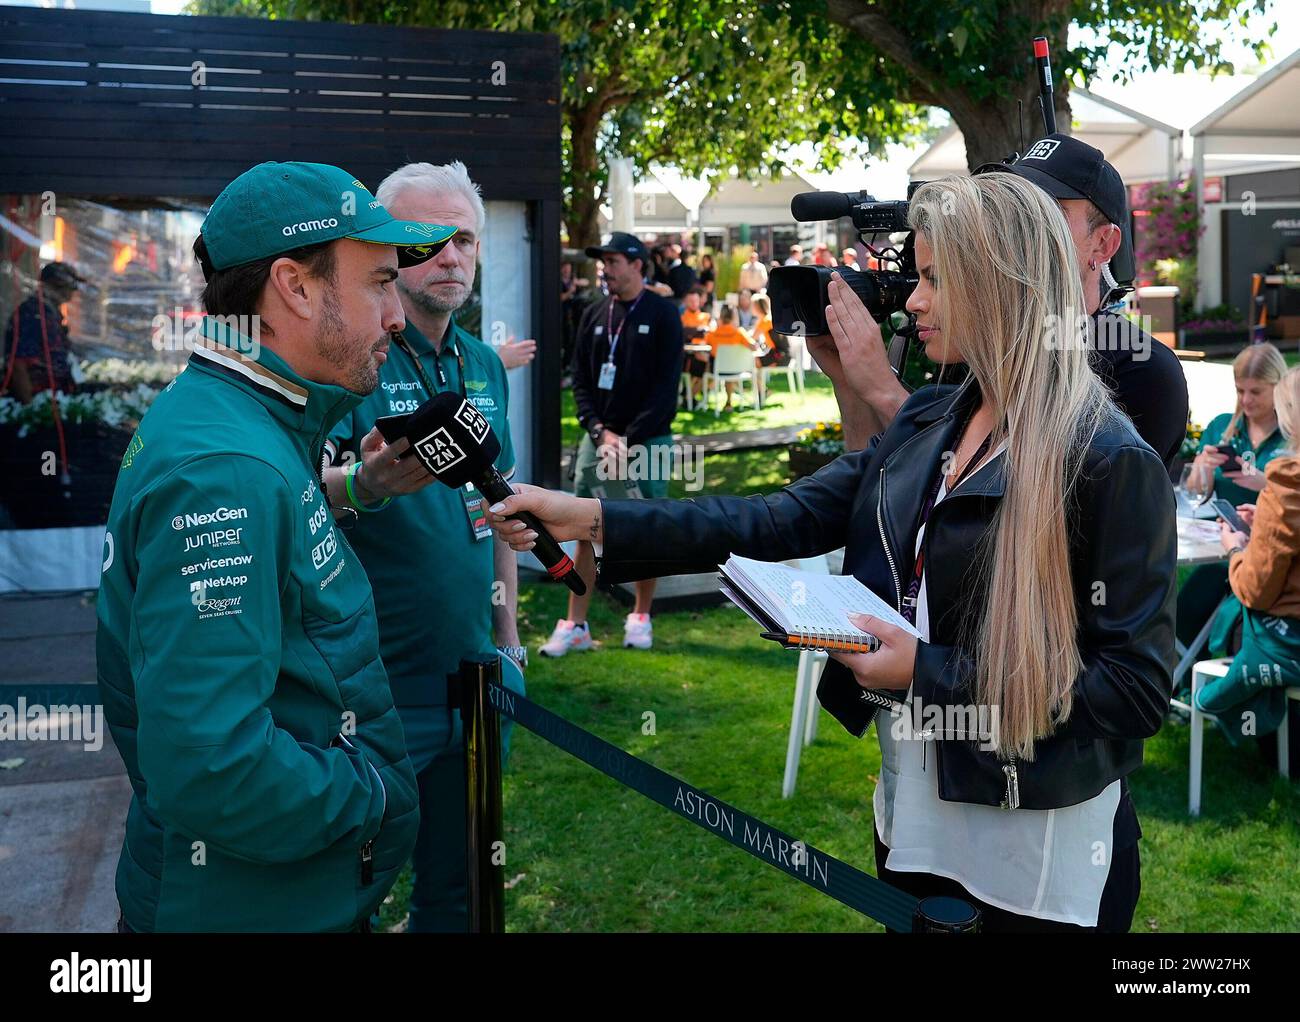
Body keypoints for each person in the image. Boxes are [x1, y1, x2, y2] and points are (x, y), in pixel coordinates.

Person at [491, 173, 1174, 933]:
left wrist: (925, 670)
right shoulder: (931, 421)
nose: (911, 302)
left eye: (935, 279)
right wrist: (588, 517)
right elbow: (773, 522)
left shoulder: (1107, 459)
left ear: (1001, 284)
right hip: (914, 817)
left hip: (1035, 851)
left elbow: (1135, 690)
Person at [95, 161, 454, 932]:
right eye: (379, 282)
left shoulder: (252, 420)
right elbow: (213, 767)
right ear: (294, 286)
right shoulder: (225, 469)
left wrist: (359, 487)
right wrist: (376, 796)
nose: (397, 314)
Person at [319, 160, 526, 933]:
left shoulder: (481, 363)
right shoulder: (347, 360)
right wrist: (365, 484)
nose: (452, 256)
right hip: (370, 692)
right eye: (428, 241)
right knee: (352, 894)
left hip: (475, 677)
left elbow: (497, 497)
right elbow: (303, 499)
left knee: (461, 890)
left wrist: (508, 638)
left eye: (464, 240)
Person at [810, 134, 1189, 472]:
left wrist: (885, 392)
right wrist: (851, 384)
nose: (1022, 225)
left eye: (1047, 211)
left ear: (1103, 244)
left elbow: (1028, 507)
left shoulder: (1143, 368)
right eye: (1015, 209)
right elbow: (881, 486)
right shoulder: (980, 341)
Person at [545, 231, 683, 656]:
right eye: (602, 260)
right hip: (598, 437)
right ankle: (576, 624)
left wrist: (625, 438)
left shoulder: (663, 314)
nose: (605, 268)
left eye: (613, 260)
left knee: (646, 526)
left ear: (638, 264)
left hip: (647, 438)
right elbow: (581, 380)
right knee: (583, 528)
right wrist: (599, 431)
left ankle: (640, 615)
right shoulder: (593, 313)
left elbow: (666, 389)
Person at [1176, 343, 1287, 673]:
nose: (1247, 400)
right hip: (1222, 543)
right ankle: (1188, 679)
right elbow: (1194, 490)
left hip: (1270, 551)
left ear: (1278, 387)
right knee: (1185, 608)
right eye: (1241, 390)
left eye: (1256, 391)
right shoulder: (1225, 426)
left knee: (1217, 608)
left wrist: (1264, 482)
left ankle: (1215, 682)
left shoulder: (1289, 435)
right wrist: (1201, 468)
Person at [1206, 365, 1300, 753]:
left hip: (1286, 637)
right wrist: (1265, 519)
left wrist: (1235, 547)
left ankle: (1198, 697)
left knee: (1222, 611)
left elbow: (1256, 590)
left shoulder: (1288, 480)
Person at [2, 261, 85, 402]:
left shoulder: (50, 314)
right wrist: (30, 409)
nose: (74, 291)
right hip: (40, 400)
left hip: (56, 398)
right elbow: (18, 365)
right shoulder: (32, 315)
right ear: (56, 285)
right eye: (71, 285)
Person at [701, 303, 755, 412]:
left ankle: (700, 397)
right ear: (734, 317)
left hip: (717, 370)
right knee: (728, 367)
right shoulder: (739, 333)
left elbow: (705, 347)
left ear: (720, 316)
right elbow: (753, 346)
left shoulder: (712, 333)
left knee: (707, 367)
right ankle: (728, 403)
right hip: (737, 369)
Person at [680, 288, 714, 402]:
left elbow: (711, 334)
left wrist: (693, 332)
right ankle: (689, 396)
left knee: (711, 364)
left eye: (696, 300)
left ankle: (688, 396)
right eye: (691, 301)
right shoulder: (682, 318)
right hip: (689, 354)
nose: (694, 303)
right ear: (685, 302)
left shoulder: (706, 317)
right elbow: (684, 334)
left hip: (706, 352)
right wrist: (698, 331)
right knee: (704, 364)